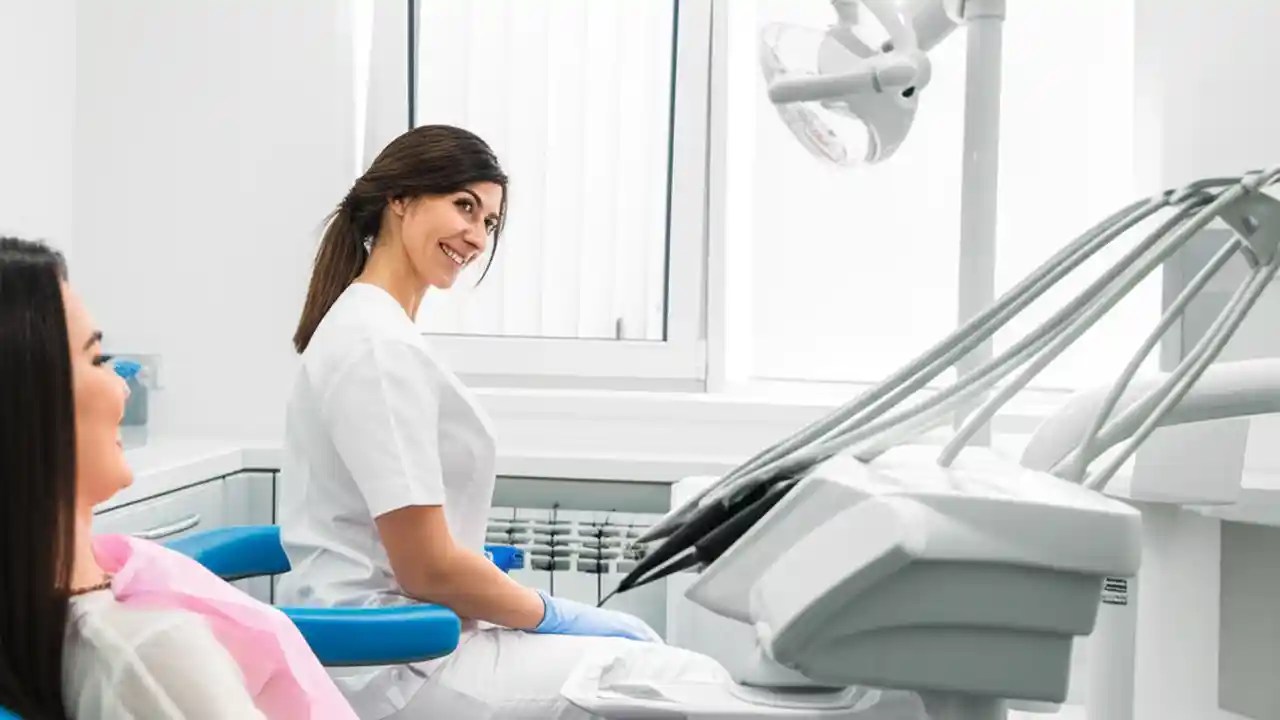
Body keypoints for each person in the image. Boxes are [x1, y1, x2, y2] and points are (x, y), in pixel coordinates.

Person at [278, 124, 729, 719]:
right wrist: (549, 612)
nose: (476, 235)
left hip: (414, 638)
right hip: (397, 659)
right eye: (464, 206)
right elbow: (426, 567)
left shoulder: (375, 330)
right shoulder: (375, 347)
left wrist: (489, 585)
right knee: (689, 682)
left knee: (661, 673)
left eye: (489, 222)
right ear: (400, 198)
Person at [0, 237, 357, 719]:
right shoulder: (147, 659)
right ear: (29, 406)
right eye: (97, 359)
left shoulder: (60, 615)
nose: (123, 386)